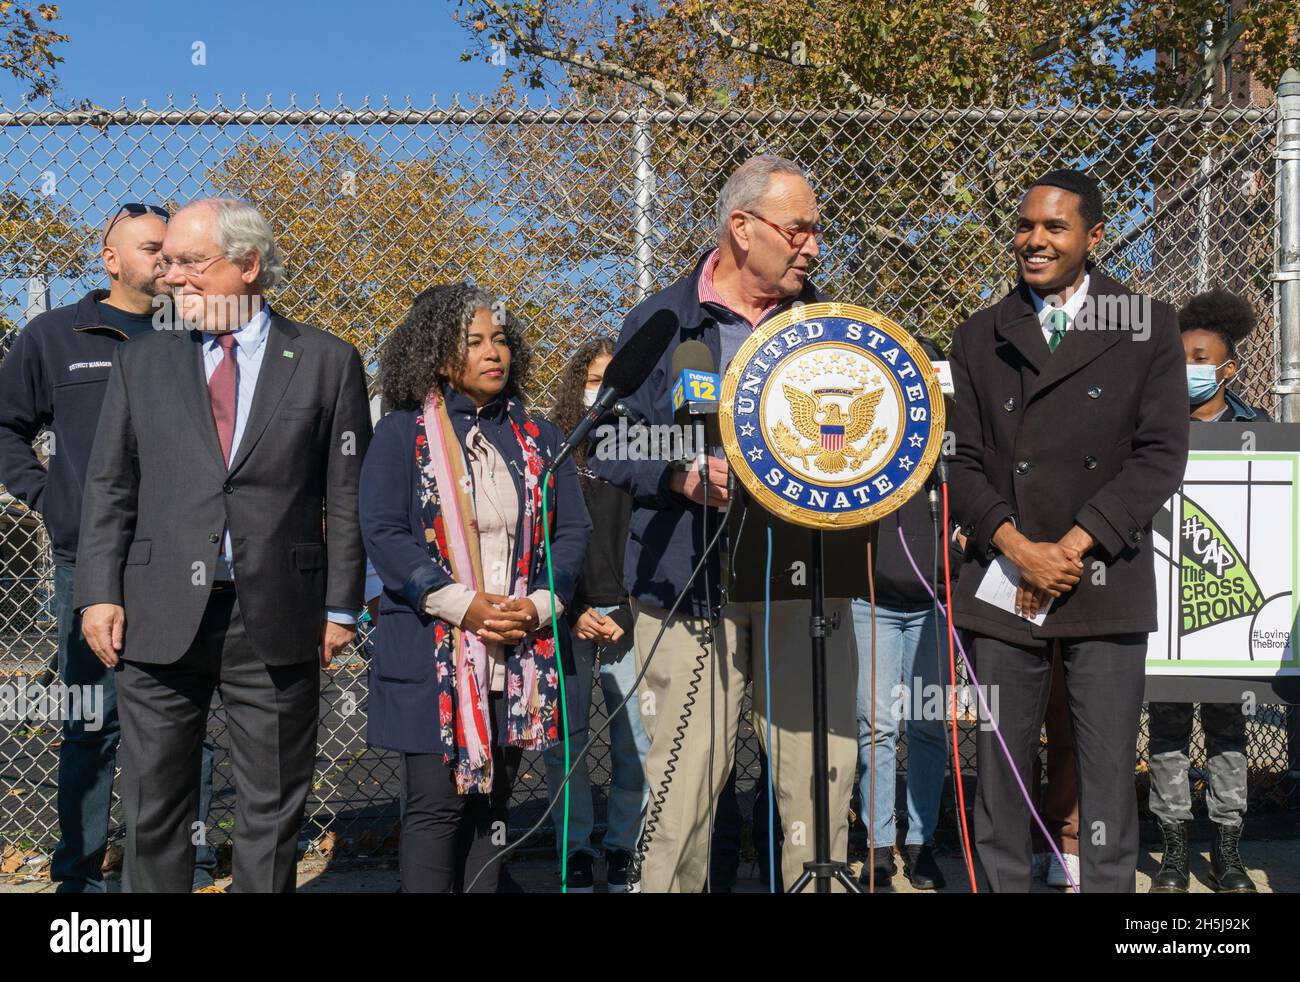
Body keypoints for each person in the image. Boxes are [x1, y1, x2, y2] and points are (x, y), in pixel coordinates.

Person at [74, 198, 372, 893]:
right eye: (166, 262)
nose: (170, 277)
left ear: (247, 265)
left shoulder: (328, 362)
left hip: (277, 614)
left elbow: (347, 494)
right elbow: (110, 487)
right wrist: (97, 593)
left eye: (188, 263)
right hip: (154, 614)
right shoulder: (142, 363)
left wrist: (341, 608)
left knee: (272, 807)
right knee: (154, 807)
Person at [594, 154, 859, 893]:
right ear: (742, 228)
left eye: (815, 230)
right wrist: (678, 473)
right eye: (799, 229)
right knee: (679, 795)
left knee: (819, 790)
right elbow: (607, 442)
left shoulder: (828, 325)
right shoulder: (660, 320)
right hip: (687, 589)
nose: (813, 245)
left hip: (806, 587)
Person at [948, 168, 1189, 892]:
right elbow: (959, 461)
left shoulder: (1147, 324)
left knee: (1108, 767)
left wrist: (1073, 546)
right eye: (1025, 226)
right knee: (1000, 771)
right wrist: (1018, 547)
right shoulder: (980, 333)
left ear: (1094, 237)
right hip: (1005, 574)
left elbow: (1159, 456)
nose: (1034, 240)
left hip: (1102, 574)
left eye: (1054, 227)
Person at [0, 203, 217, 892]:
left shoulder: (196, 333)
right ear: (111, 259)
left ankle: (194, 864)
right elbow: (5, 427)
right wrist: (50, 497)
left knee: (188, 724)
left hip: (184, 557)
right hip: (86, 561)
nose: (166, 261)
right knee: (90, 725)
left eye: (176, 251)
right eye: (153, 248)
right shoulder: (55, 336)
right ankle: (80, 876)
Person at [360, 283, 590, 893]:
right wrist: (462, 606)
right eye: (475, 342)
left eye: (501, 340)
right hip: (435, 648)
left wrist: (538, 606)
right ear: (437, 356)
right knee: (437, 810)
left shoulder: (539, 436)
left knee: (493, 811)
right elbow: (383, 533)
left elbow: (572, 532)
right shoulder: (401, 434)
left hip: (518, 647)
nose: (495, 353)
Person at [1147, 287, 1268, 893]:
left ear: (1228, 367)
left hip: (1227, 611)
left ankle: (1227, 853)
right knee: (1166, 728)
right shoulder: (1149, 428)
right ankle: (1172, 852)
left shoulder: (1261, 431)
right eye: (1180, 357)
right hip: (1165, 609)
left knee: (1228, 729)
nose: (1190, 369)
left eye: (1201, 358)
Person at [540, 335, 648, 892]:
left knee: (636, 744)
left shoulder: (646, 449)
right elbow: (544, 539)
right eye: (589, 380)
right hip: (567, 615)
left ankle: (625, 848)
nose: (598, 392)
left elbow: (653, 539)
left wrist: (629, 610)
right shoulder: (556, 449)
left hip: (630, 615)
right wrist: (574, 606)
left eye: (609, 382)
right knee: (568, 744)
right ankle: (575, 850)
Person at [852, 335, 956, 891]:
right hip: (871, 601)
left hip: (935, 604)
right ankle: (876, 844)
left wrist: (958, 554)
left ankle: (920, 842)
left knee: (928, 725)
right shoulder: (874, 436)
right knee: (876, 726)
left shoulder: (959, 440)